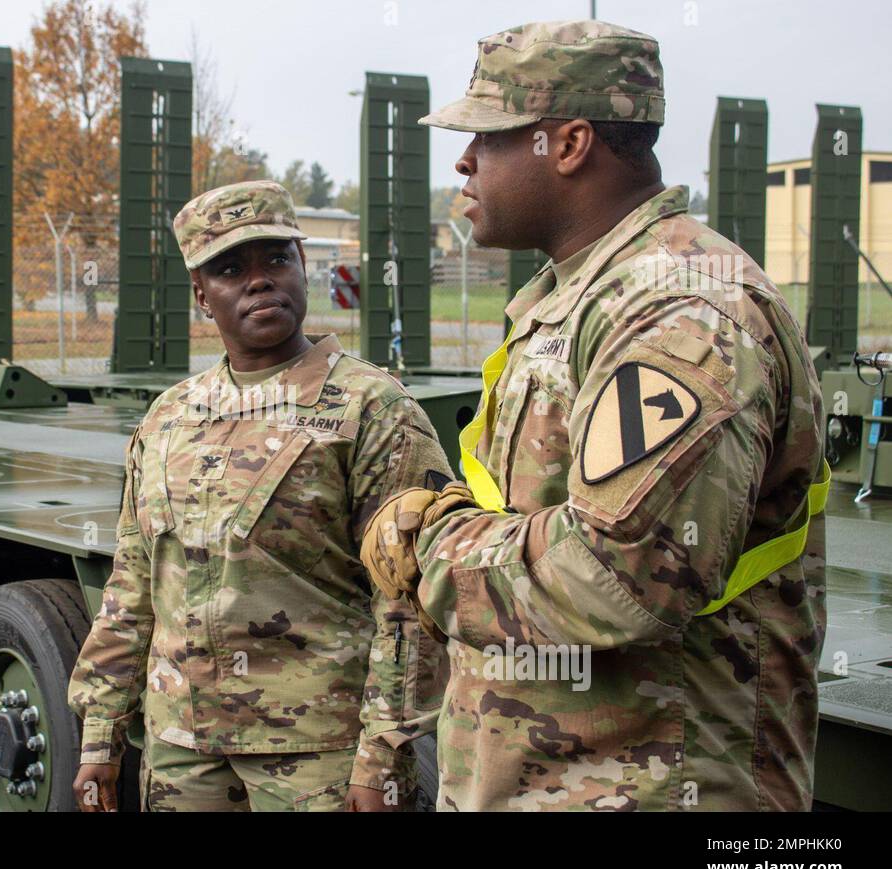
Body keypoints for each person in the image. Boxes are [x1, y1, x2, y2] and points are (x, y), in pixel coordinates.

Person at [360, 20, 827, 811]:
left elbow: (620, 574)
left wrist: (427, 542)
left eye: (488, 137)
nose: (464, 161)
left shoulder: (681, 308)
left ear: (569, 144)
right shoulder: (583, 295)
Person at [69, 180, 452, 811]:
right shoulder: (168, 419)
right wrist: (101, 732)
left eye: (277, 259)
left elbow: (410, 601)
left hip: (318, 752)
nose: (259, 281)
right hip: (181, 749)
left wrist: (384, 751)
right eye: (229, 269)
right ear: (201, 295)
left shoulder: (373, 409)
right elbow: (134, 584)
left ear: (304, 269)